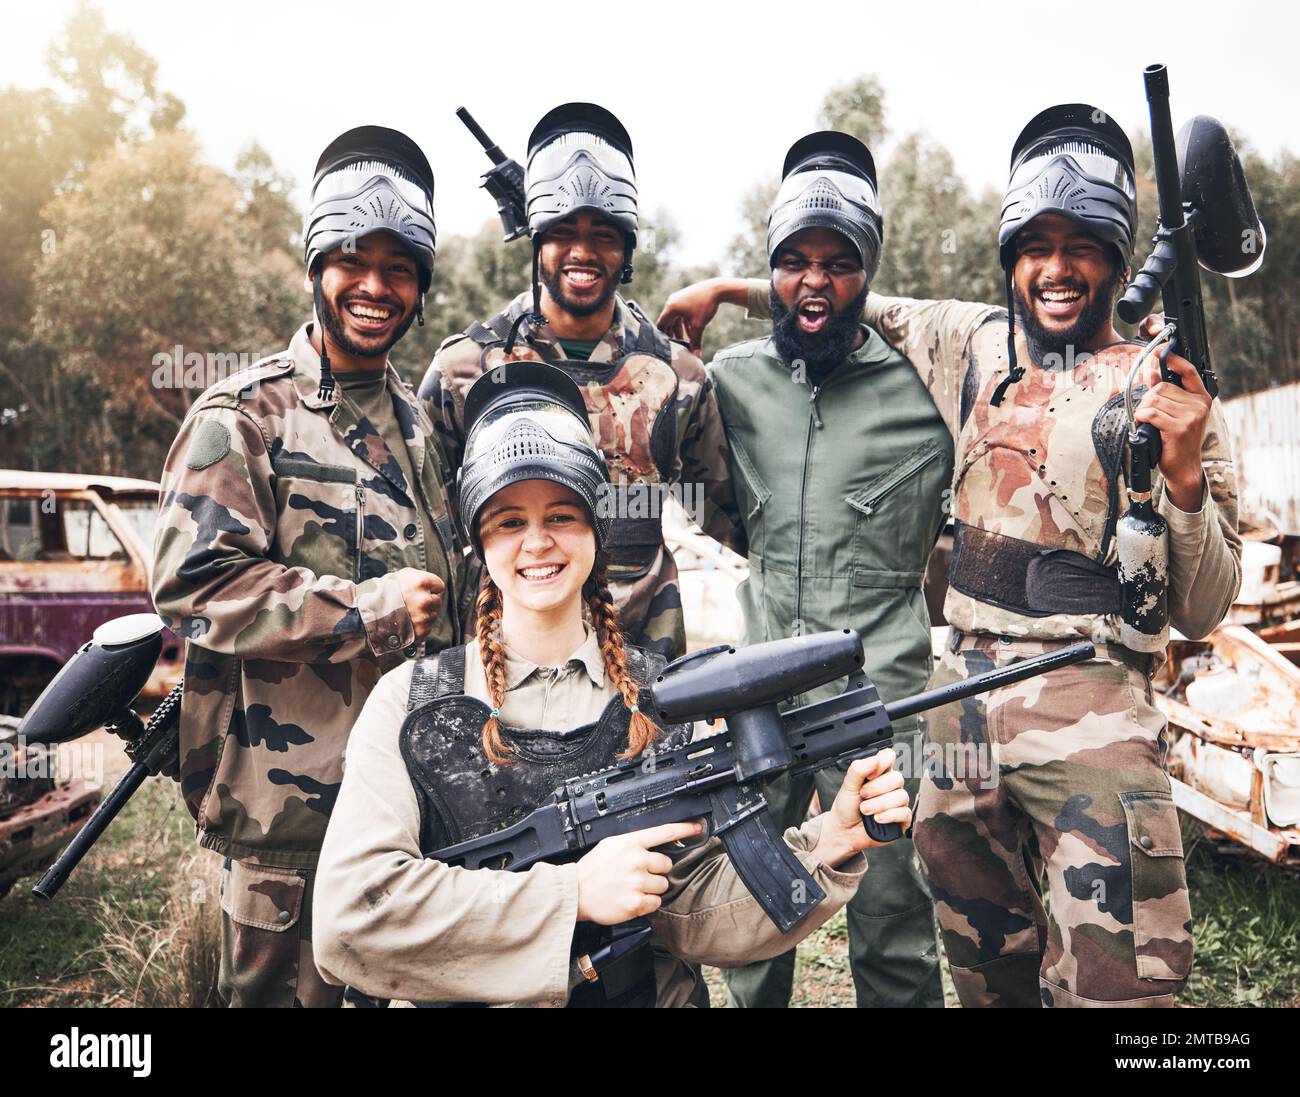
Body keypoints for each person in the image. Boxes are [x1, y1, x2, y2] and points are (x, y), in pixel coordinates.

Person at [660, 104, 1242, 1007]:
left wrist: (1185, 474)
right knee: (983, 970)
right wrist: (725, 289)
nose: (1056, 268)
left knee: (1117, 987)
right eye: (1036, 244)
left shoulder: (1170, 388)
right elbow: (838, 290)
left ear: (1121, 258)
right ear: (1010, 255)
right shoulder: (969, 342)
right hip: (959, 713)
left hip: (1091, 712)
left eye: (1082, 243)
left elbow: (1203, 608)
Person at [312, 362, 911, 1007]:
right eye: (509, 522)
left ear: (596, 531)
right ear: (477, 542)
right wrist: (571, 897)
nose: (537, 543)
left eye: (563, 516)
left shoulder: (663, 698)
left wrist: (831, 843)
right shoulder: (413, 701)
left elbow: (694, 912)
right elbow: (351, 918)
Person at [152, 126, 463, 1007]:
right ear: (316, 265)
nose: (375, 287)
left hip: (408, 816)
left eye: (399, 267)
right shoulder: (246, 416)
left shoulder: (423, 423)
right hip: (286, 835)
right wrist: (366, 608)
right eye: (352, 262)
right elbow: (192, 582)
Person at [662, 132, 951, 1009]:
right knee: (755, 904)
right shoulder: (731, 380)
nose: (814, 282)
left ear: (870, 271)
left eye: (840, 262)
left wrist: (729, 289)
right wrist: (728, 294)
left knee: (893, 919)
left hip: (882, 690)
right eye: (792, 263)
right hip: (756, 689)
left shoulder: (927, 381)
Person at [421, 103, 742, 660]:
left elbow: (740, 518)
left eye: (604, 234)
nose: (582, 251)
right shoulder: (464, 372)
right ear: (535, 241)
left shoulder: (679, 381)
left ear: (628, 249)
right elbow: (429, 536)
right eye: (563, 231)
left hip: (642, 674)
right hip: (504, 674)